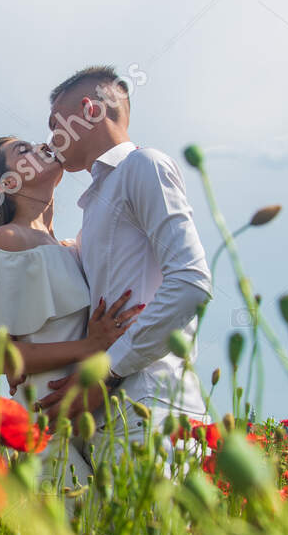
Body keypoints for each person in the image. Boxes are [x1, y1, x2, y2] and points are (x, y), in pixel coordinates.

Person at [33, 66, 212, 467]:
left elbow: (191, 282)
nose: (50, 140)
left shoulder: (144, 166)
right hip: (107, 416)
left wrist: (108, 372)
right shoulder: (95, 207)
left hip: (153, 404)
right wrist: (25, 360)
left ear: (87, 109)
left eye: (54, 123)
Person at [0, 135, 143, 491]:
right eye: (23, 151)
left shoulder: (69, 249)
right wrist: (88, 347)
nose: (41, 148)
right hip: (45, 426)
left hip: (93, 416)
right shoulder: (8, 240)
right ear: (9, 183)